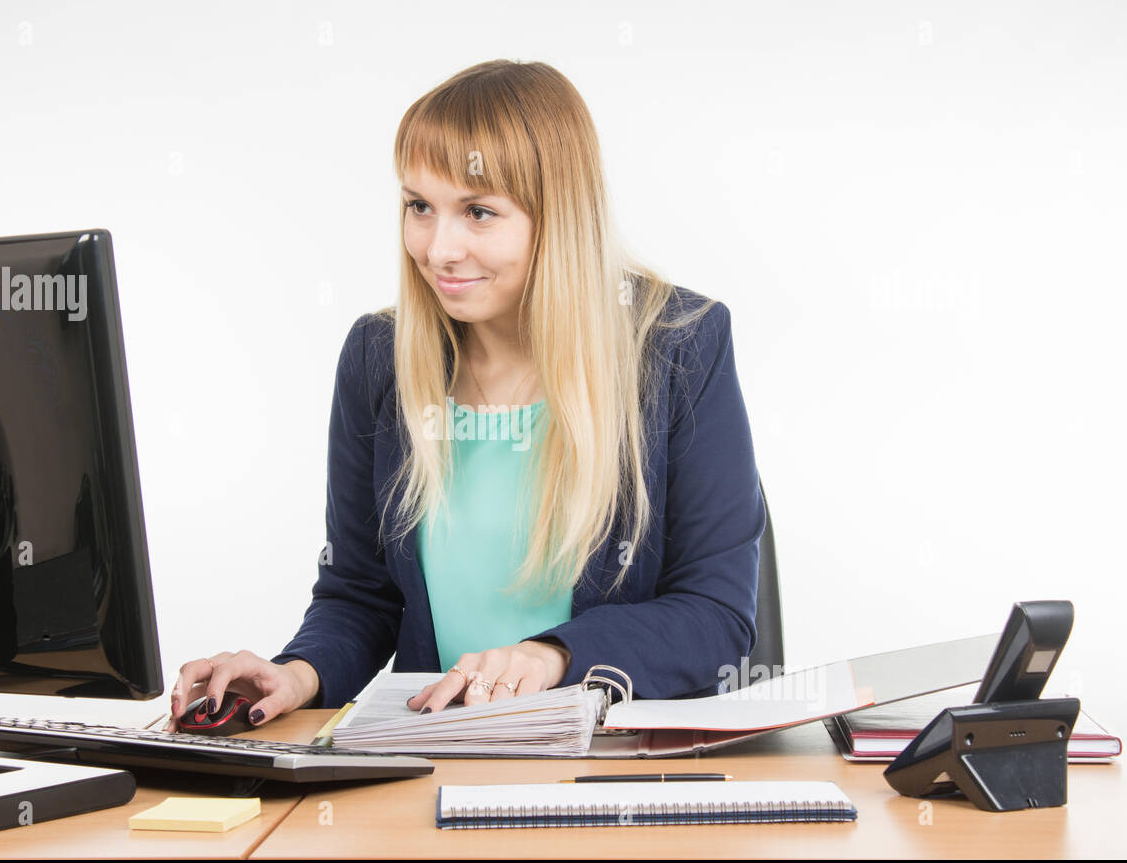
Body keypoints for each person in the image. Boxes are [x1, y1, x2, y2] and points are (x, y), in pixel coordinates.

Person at [166, 59, 766, 732]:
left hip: (617, 766)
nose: (438, 248)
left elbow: (716, 617)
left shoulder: (678, 347)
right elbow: (359, 596)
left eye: (478, 212)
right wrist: (295, 673)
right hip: (439, 755)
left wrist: (551, 657)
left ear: (559, 216)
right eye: (419, 206)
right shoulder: (380, 360)